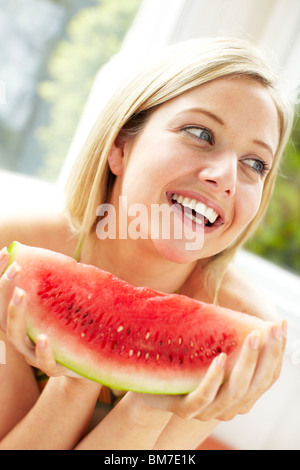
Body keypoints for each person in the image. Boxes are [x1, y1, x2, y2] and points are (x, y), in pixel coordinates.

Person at [0, 37, 294, 450]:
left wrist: (148, 410)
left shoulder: (245, 329)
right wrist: (73, 386)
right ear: (121, 147)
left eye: (255, 163)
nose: (226, 176)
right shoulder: (10, 257)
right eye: (200, 133)